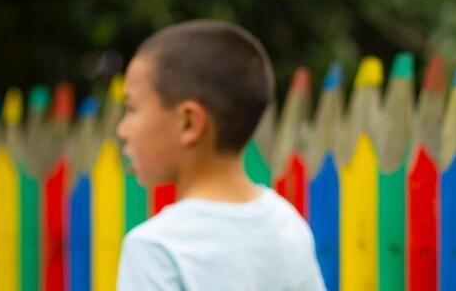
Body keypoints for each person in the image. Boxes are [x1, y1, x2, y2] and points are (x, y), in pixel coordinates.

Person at [115, 20, 326, 291]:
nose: (122, 130)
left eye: (132, 109)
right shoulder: (288, 225)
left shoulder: (156, 248)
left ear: (189, 123)